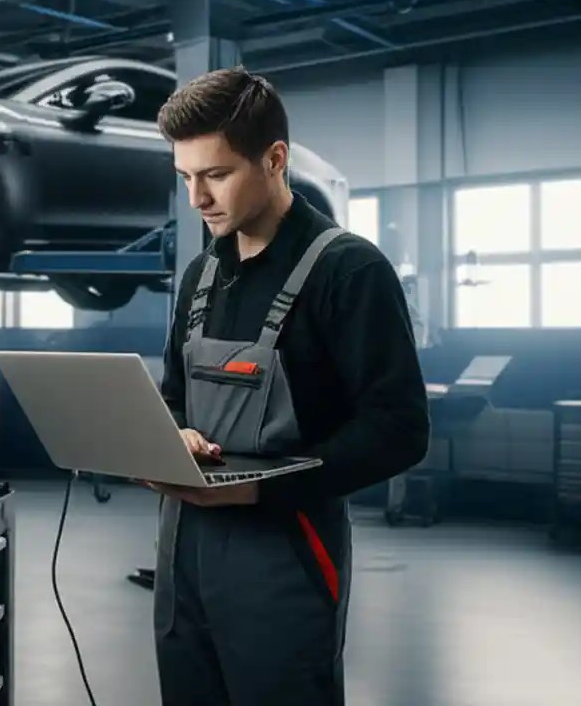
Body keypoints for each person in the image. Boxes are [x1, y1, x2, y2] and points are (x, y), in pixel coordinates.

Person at [146, 67, 431, 705]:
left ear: (275, 159)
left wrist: (259, 490)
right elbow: (172, 396)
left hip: (286, 555)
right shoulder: (200, 275)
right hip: (182, 556)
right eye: (184, 177)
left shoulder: (349, 271)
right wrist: (171, 434)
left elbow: (400, 430)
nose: (196, 198)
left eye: (215, 174)